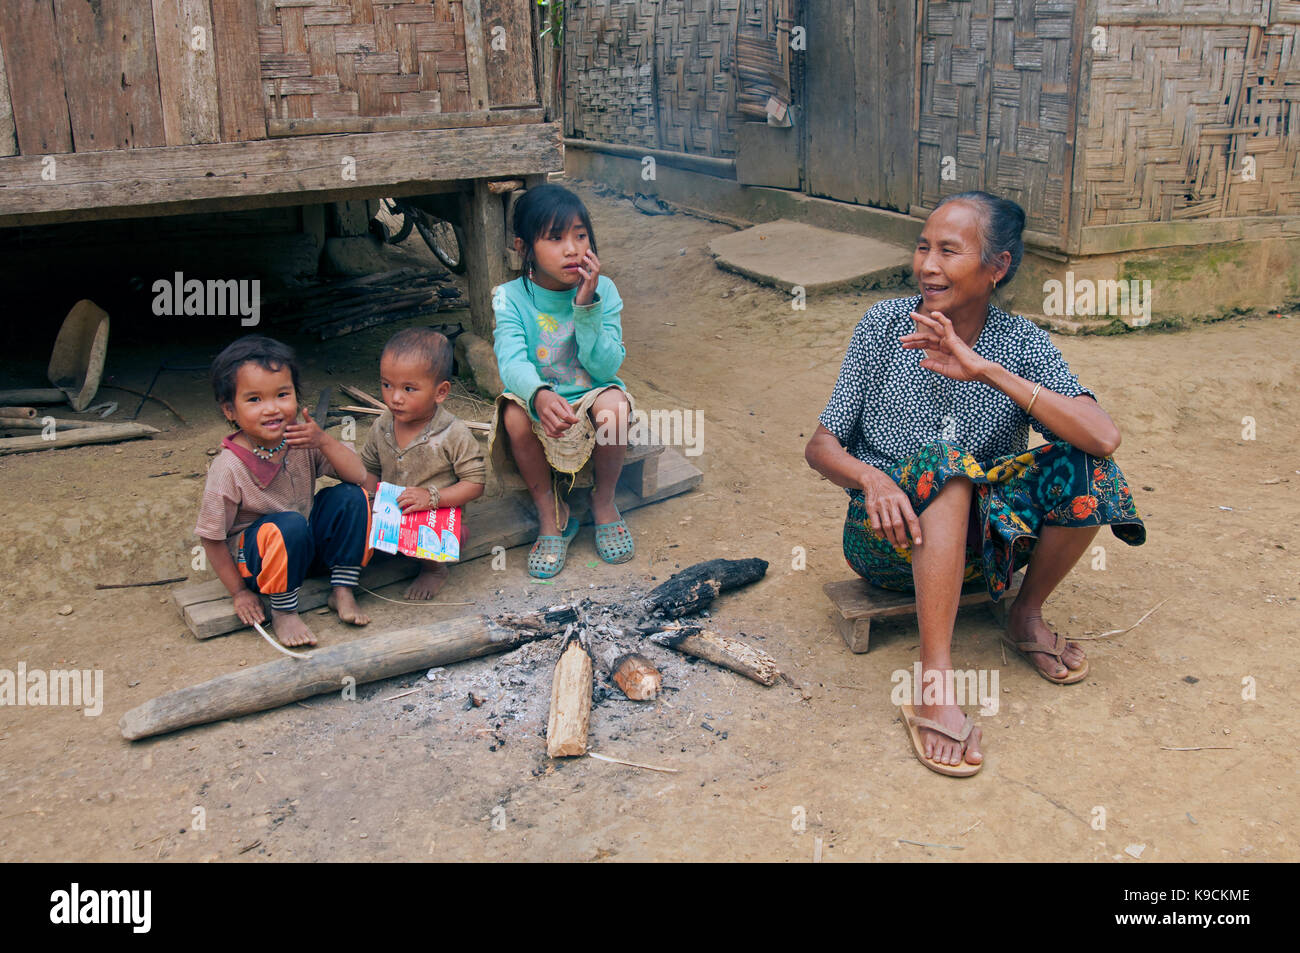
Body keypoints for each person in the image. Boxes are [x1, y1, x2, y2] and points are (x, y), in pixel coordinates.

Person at [804, 191, 1146, 777]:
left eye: (948, 251)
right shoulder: (882, 328)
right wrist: (871, 479)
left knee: (1087, 468)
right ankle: (933, 682)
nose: (927, 266)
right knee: (950, 463)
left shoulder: (1021, 344)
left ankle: (1024, 614)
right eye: (922, 247)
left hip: (991, 552)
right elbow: (820, 445)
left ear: (998, 267)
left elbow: (1103, 436)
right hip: (887, 539)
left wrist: (986, 368)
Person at [489, 184, 636, 578]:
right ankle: (552, 515)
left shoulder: (604, 290)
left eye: (580, 235)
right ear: (524, 247)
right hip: (538, 399)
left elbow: (606, 369)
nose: (572, 248)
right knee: (515, 417)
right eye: (555, 238)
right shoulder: (509, 297)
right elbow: (511, 361)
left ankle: (603, 501)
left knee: (616, 408)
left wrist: (586, 306)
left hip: (590, 394)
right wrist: (537, 394)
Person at [195, 335, 372, 647]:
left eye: (282, 394)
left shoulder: (301, 440)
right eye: (254, 400)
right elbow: (211, 537)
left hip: (305, 552)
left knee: (351, 496)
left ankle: (342, 587)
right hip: (260, 566)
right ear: (229, 410)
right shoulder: (229, 467)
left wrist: (325, 442)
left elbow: (358, 475)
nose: (272, 409)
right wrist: (239, 592)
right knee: (287, 523)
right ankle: (284, 611)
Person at [359, 327, 487, 599]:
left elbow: (475, 483)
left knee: (427, 537)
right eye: (386, 385)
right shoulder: (382, 425)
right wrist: (370, 501)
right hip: (393, 511)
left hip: (434, 515)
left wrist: (432, 498)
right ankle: (383, 548)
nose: (395, 397)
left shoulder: (453, 433)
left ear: (440, 392)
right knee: (354, 518)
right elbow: (369, 467)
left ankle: (433, 570)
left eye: (408, 389)